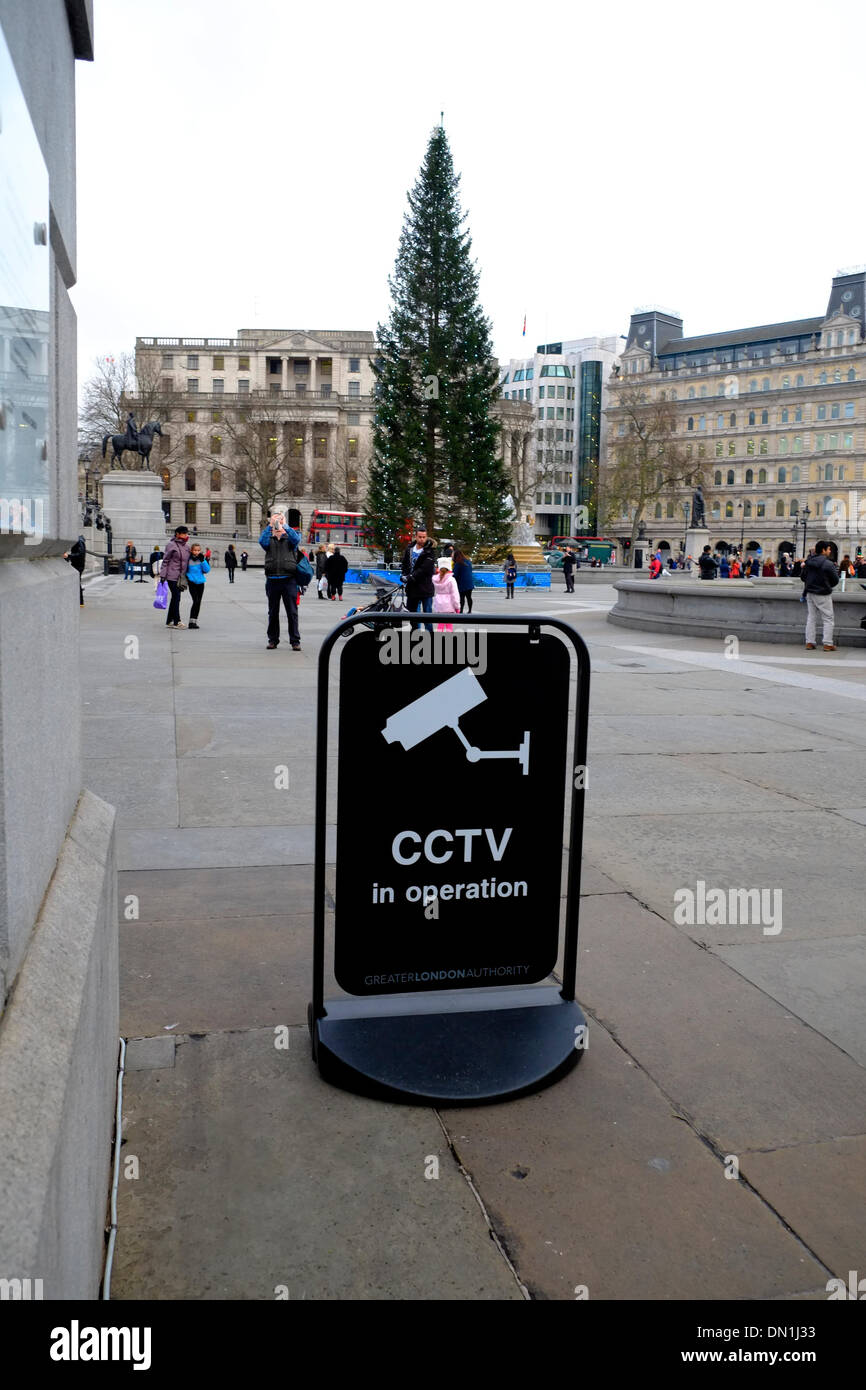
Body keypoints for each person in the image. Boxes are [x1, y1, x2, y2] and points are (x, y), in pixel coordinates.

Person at [259, 510, 302, 650]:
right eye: (276, 526)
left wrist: (286, 525)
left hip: (289, 579)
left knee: (292, 612)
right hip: (272, 580)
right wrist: (270, 525)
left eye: (279, 525)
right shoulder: (268, 540)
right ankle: (273, 639)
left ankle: (295, 641)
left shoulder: (290, 540)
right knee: (273, 612)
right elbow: (261, 541)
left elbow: (297, 539)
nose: (278, 528)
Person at [802, 540, 839, 650]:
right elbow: (835, 580)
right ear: (823, 550)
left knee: (811, 618)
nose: (830, 551)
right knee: (828, 618)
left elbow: (803, 577)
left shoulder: (808, 562)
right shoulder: (828, 564)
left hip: (810, 592)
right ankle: (827, 643)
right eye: (828, 549)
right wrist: (827, 585)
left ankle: (810, 642)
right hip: (823, 593)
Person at [401, 526, 436, 625]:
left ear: (427, 537)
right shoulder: (409, 549)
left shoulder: (430, 551)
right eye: (420, 537)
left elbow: (425, 569)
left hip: (425, 588)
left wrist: (411, 577)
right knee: (413, 617)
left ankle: (430, 637)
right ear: (415, 536)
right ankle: (416, 636)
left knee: (427, 618)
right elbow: (405, 564)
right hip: (412, 589)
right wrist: (403, 575)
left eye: (424, 537)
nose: (422, 539)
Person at [159, 526, 191, 628]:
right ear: (177, 534)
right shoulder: (171, 545)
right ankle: (177, 621)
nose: (186, 535)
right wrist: (163, 575)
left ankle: (169, 620)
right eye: (184, 533)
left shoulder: (187, 547)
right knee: (176, 597)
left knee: (175, 598)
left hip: (181, 577)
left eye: (186, 533)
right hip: (171, 575)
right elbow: (165, 561)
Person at [432, 556, 460, 631]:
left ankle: (438, 639)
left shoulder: (435, 579)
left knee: (440, 624)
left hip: (439, 604)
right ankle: (448, 640)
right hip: (449, 605)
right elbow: (455, 595)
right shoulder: (451, 580)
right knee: (448, 624)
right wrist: (457, 607)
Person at [186, 543, 210, 629]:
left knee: (198, 602)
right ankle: (190, 622)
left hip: (201, 583)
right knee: (195, 601)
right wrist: (188, 578)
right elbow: (185, 570)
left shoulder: (201, 559)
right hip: (192, 582)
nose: (197, 552)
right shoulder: (188, 559)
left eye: (198, 550)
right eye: (195, 550)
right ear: (192, 551)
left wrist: (203, 561)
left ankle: (194, 621)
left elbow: (207, 570)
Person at [64, 534, 86, 606]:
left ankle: (80, 602)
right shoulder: (79, 541)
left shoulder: (79, 541)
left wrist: (69, 556)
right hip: (78, 565)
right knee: (77, 583)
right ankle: (80, 602)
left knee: (77, 583)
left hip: (78, 565)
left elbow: (80, 554)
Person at [452, 547, 474, 612]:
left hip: (462, 583)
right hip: (470, 583)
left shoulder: (458, 563)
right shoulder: (468, 562)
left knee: (462, 597)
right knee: (469, 597)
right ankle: (470, 610)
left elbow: (455, 574)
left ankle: (461, 611)